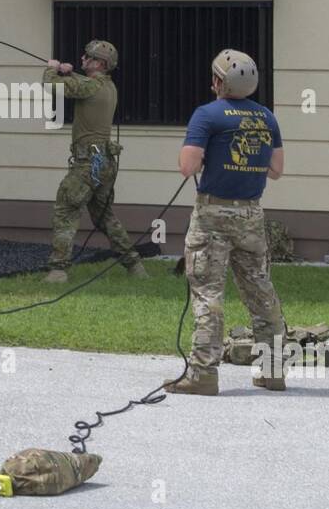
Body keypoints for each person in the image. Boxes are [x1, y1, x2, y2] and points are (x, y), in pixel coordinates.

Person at [163, 49, 288, 395]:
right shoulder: (267, 118)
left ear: (219, 82)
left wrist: (203, 152)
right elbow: (276, 170)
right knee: (261, 292)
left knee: (208, 294)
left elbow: (187, 167)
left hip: (213, 215)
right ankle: (273, 372)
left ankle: (203, 374)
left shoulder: (207, 115)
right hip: (251, 214)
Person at [41, 40, 146, 283]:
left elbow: (51, 87)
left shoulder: (89, 86)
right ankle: (134, 265)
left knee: (66, 208)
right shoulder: (107, 87)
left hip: (88, 163)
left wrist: (52, 68)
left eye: (87, 57)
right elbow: (83, 84)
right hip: (105, 162)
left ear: (99, 63)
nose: (82, 59)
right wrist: (69, 72)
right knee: (104, 216)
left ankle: (58, 270)